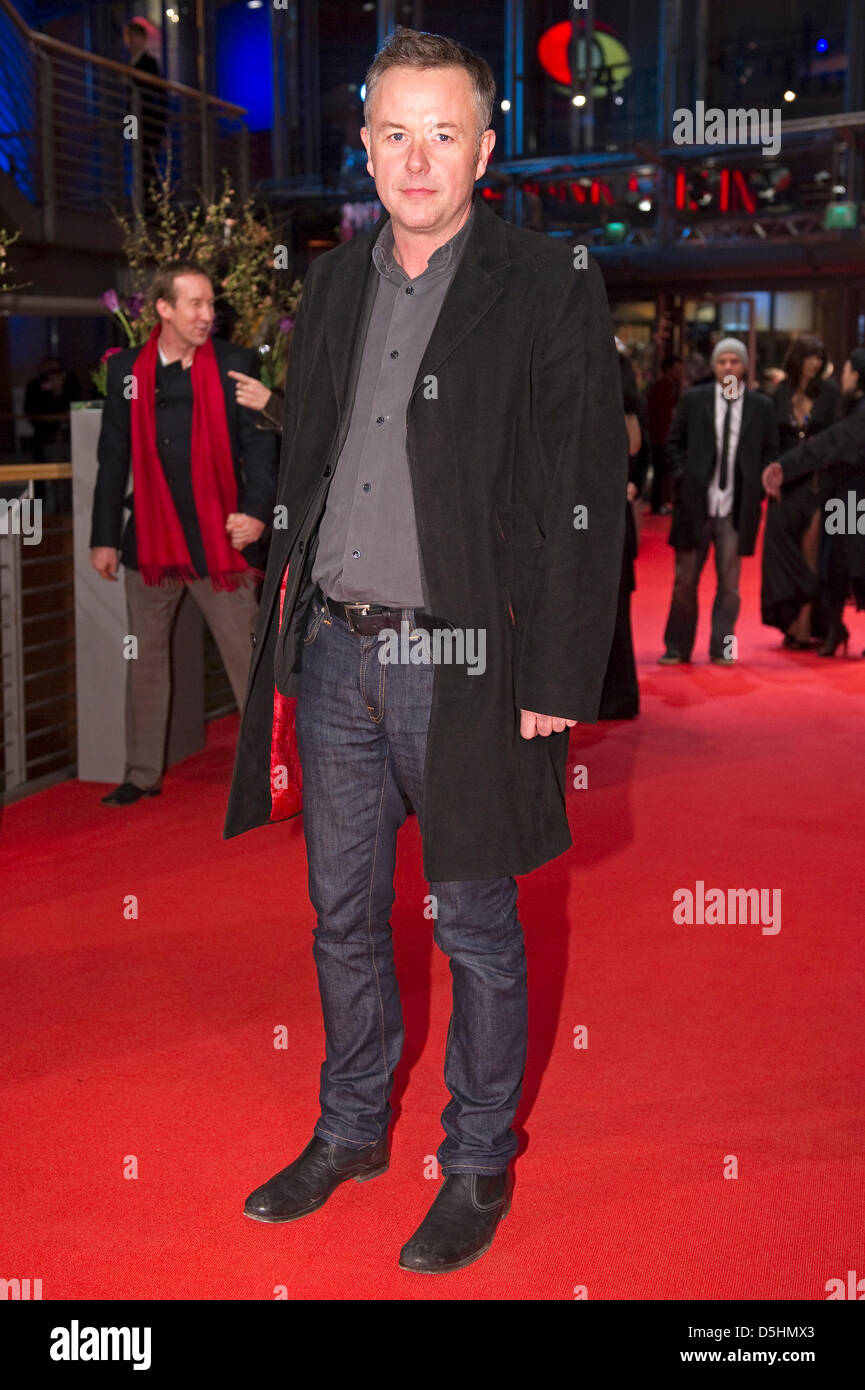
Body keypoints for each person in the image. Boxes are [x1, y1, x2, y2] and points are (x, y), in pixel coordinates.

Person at [225, 27, 627, 1274]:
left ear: (486, 149)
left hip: (470, 660)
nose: (416, 155)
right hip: (337, 653)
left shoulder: (549, 280)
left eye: (442, 131)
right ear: (364, 142)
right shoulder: (336, 281)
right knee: (340, 916)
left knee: (473, 923)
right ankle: (349, 1128)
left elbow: (583, 488)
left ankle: (474, 1160)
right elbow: (328, 444)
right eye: (394, 130)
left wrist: (556, 678)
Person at [90, 261, 278, 805]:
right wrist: (104, 536)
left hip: (223, 538)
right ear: (164, 309)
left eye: (211, 304)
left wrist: (257, 511)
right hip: (149, 540)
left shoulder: (235, 364)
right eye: (195, 304)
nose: (207, 315)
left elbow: (261, 447)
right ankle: (141, 772)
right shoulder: (127, 369)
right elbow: (112, 459)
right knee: (144, 660)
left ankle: (270, 776)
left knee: (246, 659)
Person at [659, 337, 779, 666]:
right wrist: (685, 478)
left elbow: (771, 450)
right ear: (714, 366)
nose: (728, 366)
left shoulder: (761, 406)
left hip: (736, 508)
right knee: (684, 582)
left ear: (744, 367)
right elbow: (672, 442)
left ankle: (722, 648)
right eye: (722, 361)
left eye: (734, 361)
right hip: (695, 504)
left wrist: (757, 485)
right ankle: (676, 647)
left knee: (730, 587)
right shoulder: (694, 399)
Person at [763, 347, 865, 658]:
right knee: (835, 563)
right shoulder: (847, 405)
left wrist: (783, 467)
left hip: (852, 496)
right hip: (840, 493)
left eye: (846, 370)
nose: (841, 374)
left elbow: (828, 444)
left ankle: (833, 631)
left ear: (857, 375)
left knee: (853, 563)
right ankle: (833, 630)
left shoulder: (852, 407)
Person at [760, 337, 840, 648]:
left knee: (811, 556)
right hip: (784, 488)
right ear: (798, 358)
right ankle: (791, 621)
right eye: (809, 356)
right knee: (783, 559)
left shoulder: (830, 393)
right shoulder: (779, 394)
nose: (815, 363)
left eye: (819, 357)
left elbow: (836, 440)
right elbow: (770, 444)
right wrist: (771, 478)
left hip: (819, 485)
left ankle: (807, 623)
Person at [598, 348, 646, 719]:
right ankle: (619, 696)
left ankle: (608, 696)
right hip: (617, 524)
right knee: (616, 614)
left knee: (602, 615)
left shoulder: (600, 415)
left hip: (602, 526)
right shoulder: (632, 418)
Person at [24, 355, 80, 512]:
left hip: (69, 437)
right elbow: (32, 412)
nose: (54, 374)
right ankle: (42, 513)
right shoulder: (35, 387)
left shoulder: (70, 383)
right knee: (43, 478)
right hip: (45, 438)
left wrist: (59, 391)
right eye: (49, 371)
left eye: (57, 370)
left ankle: (67, 511)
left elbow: (76, 405)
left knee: (69, 477)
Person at [123, 18, 167, 210]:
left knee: (148, 163)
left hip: (148, 121)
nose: (131, 41)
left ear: (142, 38)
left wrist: (162, 127)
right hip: (133, 119)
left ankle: (151, 208)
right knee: (136, 158)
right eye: (129, 37)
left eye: (134, 36)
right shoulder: (129, 64)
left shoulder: (149, 62)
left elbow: (156, 93)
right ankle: (142, 206)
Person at [646, 354, 682, 514]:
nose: (680, 371)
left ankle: (664, 502)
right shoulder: (662, 387)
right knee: (661, 472)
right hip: (661, 436)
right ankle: (658, 503)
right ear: (669, 369)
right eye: (677, 368)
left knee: (665, 472)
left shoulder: (673, 386)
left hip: (666, 435)